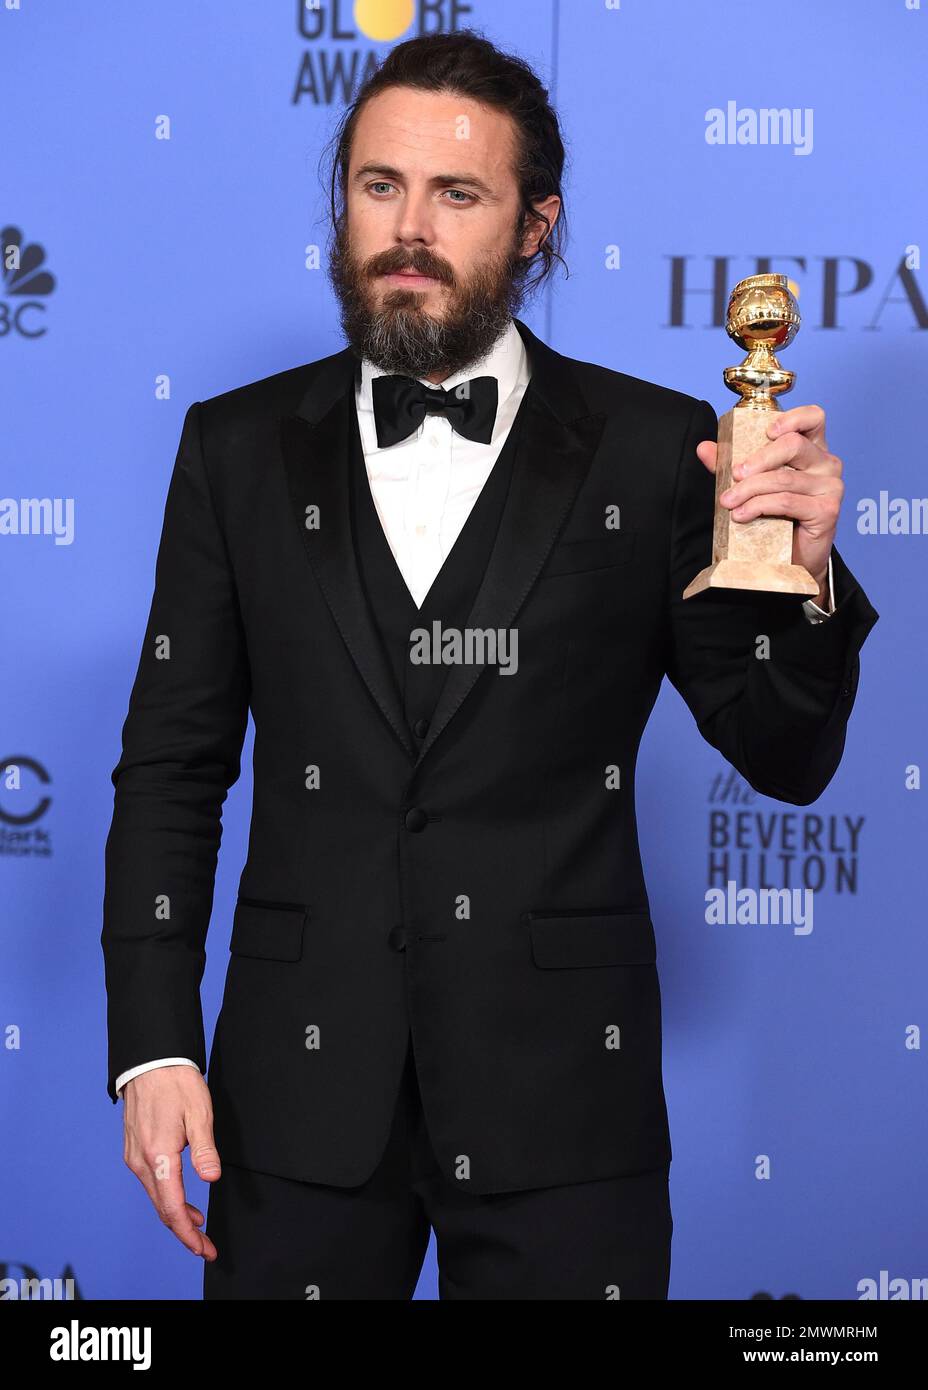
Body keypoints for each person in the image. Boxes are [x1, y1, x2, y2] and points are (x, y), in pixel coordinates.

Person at [101, 29, 878, 1300]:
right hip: (293, 1097)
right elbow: (171, 769)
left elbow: (784, 755)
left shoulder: (656, 448)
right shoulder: (234, 448)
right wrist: (152, 1046)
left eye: (457, 194)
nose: (408, 229)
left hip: (565, 1102)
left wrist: (808, 573)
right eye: (379, 185)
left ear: (534, 227)